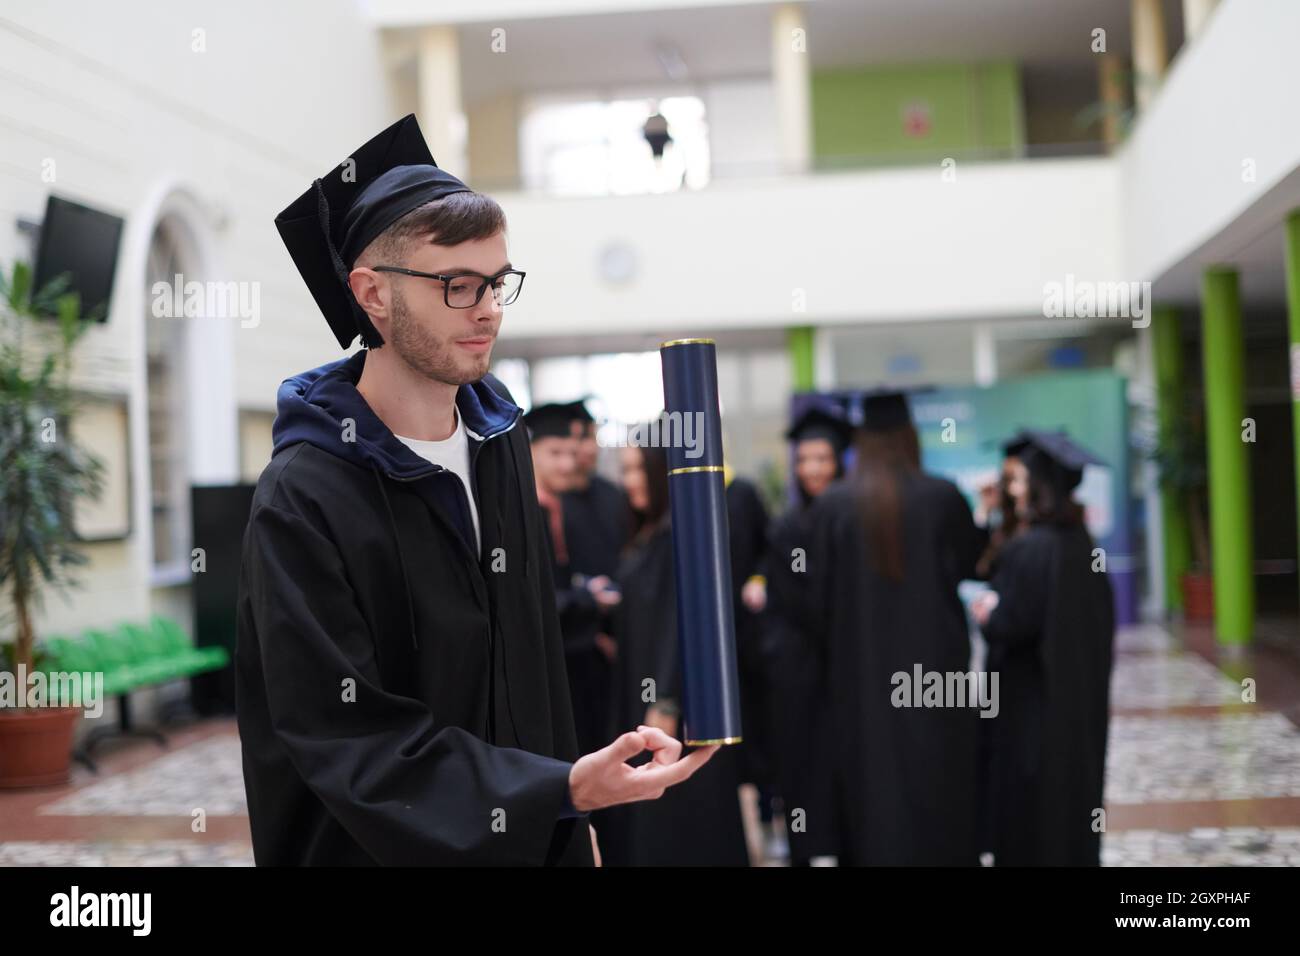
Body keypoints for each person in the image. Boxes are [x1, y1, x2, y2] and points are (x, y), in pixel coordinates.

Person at [236, 115, 714, 866]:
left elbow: (536, 663)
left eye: (496, 282)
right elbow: (343, 736)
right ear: (372, 295)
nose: (488, 308)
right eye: (457, 285)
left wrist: (567, 814)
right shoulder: (306, 495)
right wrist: (556, 793)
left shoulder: (500, 446)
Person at [802, 390, 985, 865]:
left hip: (859, 681)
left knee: (873, 792)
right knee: (938, 783)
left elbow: (814, 603)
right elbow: (970, 563)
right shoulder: (941, 497)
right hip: (936, 677)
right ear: (909, 436)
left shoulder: (832, 508)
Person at [602, 440, 750, 866]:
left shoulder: (680, 536)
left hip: (675, 703)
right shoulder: (649, 533)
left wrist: (665, 700)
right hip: (643, 686)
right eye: (625, 470)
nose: (630, 481)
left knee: (679, 816)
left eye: (638, 469)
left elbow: (683, 622)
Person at [971, 430, 1115, 866]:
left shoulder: (1031, 550)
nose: (1012, 489)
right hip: (1073, 708)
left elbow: (1011, 623)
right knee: (1069, 807)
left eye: (1020, 481)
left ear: (1040, 486)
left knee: (1029, 814)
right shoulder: (1081, 545)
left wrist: (987, 617)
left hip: (1029, 708)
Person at [747, 403, 850, 865]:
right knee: (804, 768)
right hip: (801, 671)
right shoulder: (789, 525)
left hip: (846, 671)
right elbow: (795, 601)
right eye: (804, 460)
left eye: (822, 459)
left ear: (840, 461)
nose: (811, 469)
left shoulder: (854, 518)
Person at [525, 402, 622, 756]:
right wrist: (588, 601)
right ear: (528, 449)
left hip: (580, 663)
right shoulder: (516, 513)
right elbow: (528, 600)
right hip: (542, 668)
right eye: (554, 453)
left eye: (571, 453)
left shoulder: (563, 507)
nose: (567, 463)